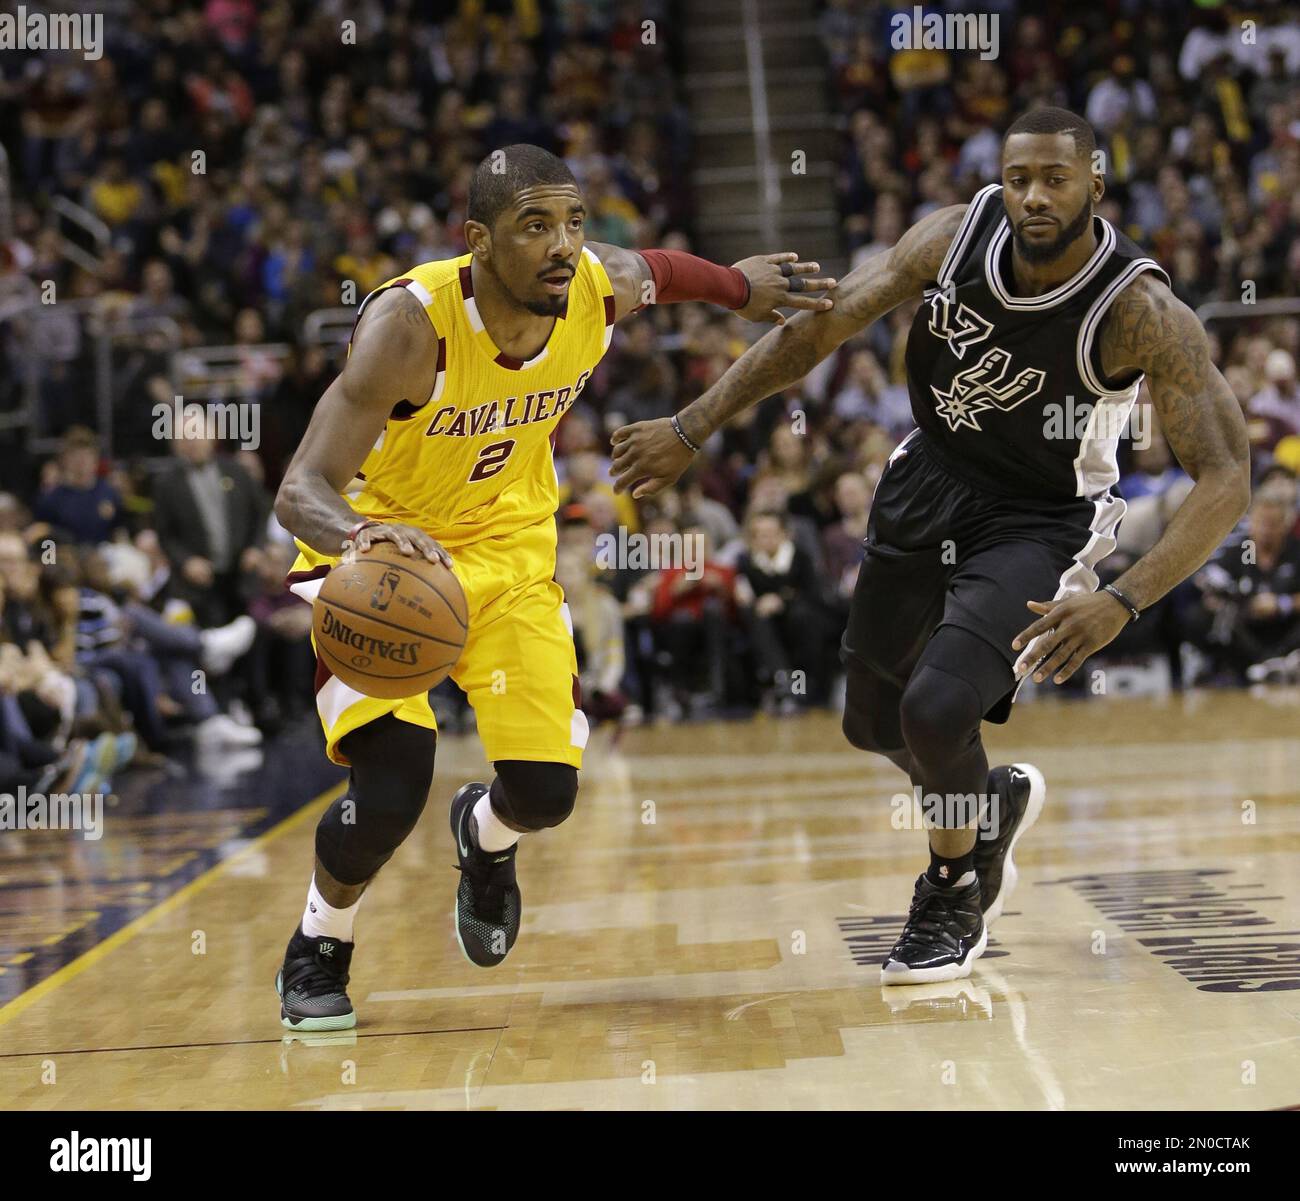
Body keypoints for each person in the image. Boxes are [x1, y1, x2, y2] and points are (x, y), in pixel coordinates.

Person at [610, 108, 1251, 985]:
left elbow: (1225, 477)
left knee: (938, 711)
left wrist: (1122, 599)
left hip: (1040, 514)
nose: (1032, 194)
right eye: (1018, 175)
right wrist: (694, 424)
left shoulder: (1142, 311)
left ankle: (954, 885)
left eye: (1055, 179)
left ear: (1095, 186)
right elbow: (821, 327)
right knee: (869, 720)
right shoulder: (953, 238)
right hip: (928, 479)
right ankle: (984, 806)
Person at [272, 143, 836, 1029]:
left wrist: (738, 286)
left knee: (544, 792)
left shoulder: (593, 286)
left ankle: (484, 839)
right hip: (386, 565)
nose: (563, 243)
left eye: (573, 222)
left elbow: (654, 270)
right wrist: (360, 536)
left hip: (511, 558)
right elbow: (299, 489)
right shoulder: (409, 326)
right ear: (480, 240)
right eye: (534, 225)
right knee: (390, 787)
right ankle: (320, 941)